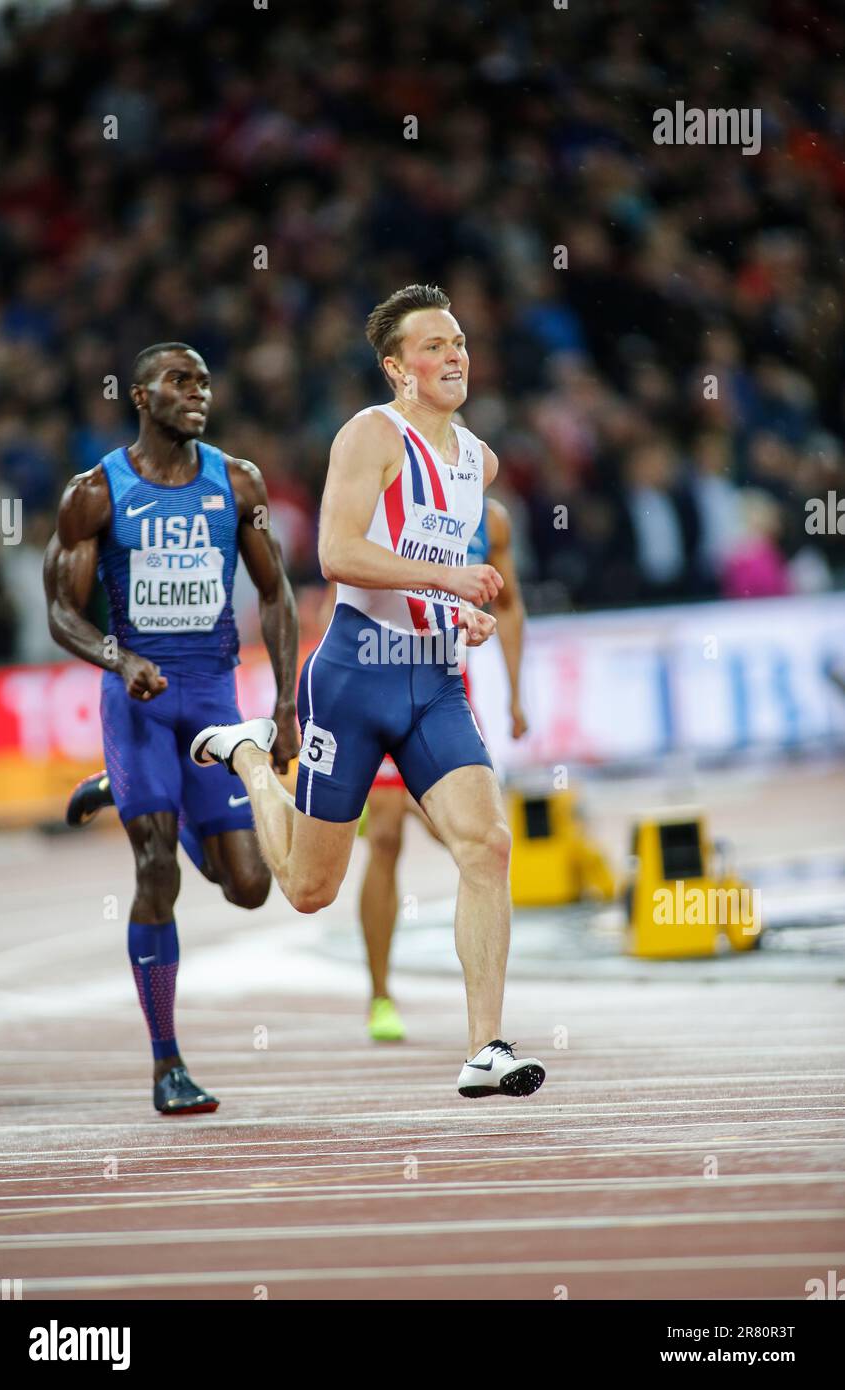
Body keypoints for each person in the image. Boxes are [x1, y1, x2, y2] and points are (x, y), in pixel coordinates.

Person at [191, 285, 545, 1099]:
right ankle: (248, 756)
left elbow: (431, 568)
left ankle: (484, 1046)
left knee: (487, 845)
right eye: (433, 346)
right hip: (353, 679)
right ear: (397, 368)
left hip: (434, 680)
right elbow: (340, 554)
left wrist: (460, 611)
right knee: (312, 890)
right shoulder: (369, 435)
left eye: (459, 342)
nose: (454, 355)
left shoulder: (477, 461)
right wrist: (448, 576)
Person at [44, 343, 299, 1114]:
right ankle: (168, 1064)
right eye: (180, 382)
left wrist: (285, 704)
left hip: (214, 696)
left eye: (205, 382)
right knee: (158, 869)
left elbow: (277, 593)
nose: (198, 393)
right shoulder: (95, 494)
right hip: (141, 698)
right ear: (139, 395)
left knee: (249, 886)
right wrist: (118, 659)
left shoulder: (237, 480)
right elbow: (62, 611)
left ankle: (132, 793)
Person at [360, 495, 529, 1042]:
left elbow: (508, 605)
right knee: (384, 834)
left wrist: (517, 696)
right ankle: (381, 995)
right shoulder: (385, 499)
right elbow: (342, 580)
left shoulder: (493, 519)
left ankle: (483, 1015)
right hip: (380, 674)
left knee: (480, 843)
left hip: (446, 686)